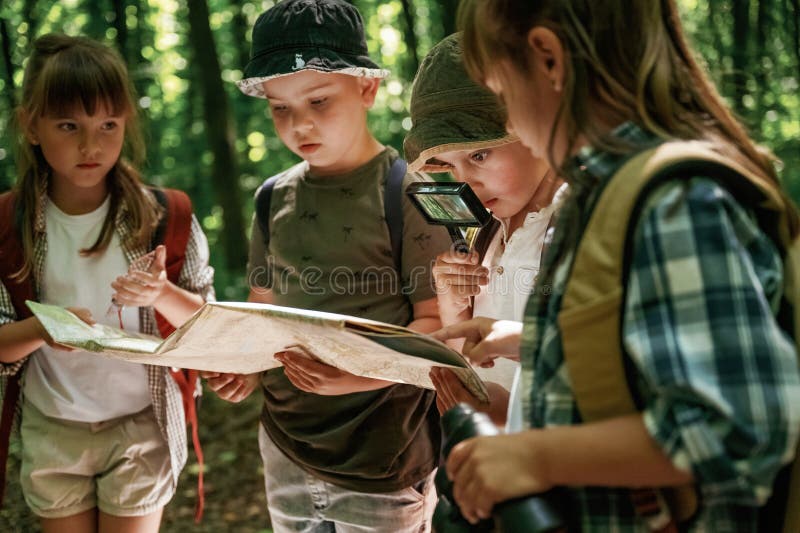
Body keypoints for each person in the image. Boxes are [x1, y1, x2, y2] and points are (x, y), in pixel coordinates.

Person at [432, 0, 800, 530]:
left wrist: (535, 457)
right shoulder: (602, 193)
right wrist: (539, 340)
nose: (507, 118)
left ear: (548, 58)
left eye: (500, 92)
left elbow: (736, 427)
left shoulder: (674, 201)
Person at [202, 1, 451, 531]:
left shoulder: (414, 191)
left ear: (366, 88)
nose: (300, 123)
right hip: (287, 447)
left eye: (318, 100)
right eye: (280, 108)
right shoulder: (272, 198)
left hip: (383, 454)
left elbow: (437, 330)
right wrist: (245, 365)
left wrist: (355, 372)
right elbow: (263, 314)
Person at [0, 34, 214, 533]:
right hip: (53, 427)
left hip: (142, 422)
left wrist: (161, 293)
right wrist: (43, 330)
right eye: (69, 125)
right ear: (31, 126)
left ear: (126, 124)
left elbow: (209, 330)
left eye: (108, 125)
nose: (90, 145)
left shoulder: (166, 217)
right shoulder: (8, 225)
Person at [403, 33, 564, 428]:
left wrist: (508, 416)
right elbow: (467, 353)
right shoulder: (487, 232)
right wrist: (454, 305)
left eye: (478, 154)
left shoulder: (577, 225)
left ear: (535, 122)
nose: (466, 182)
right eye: (449, 165)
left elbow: (601, 364)